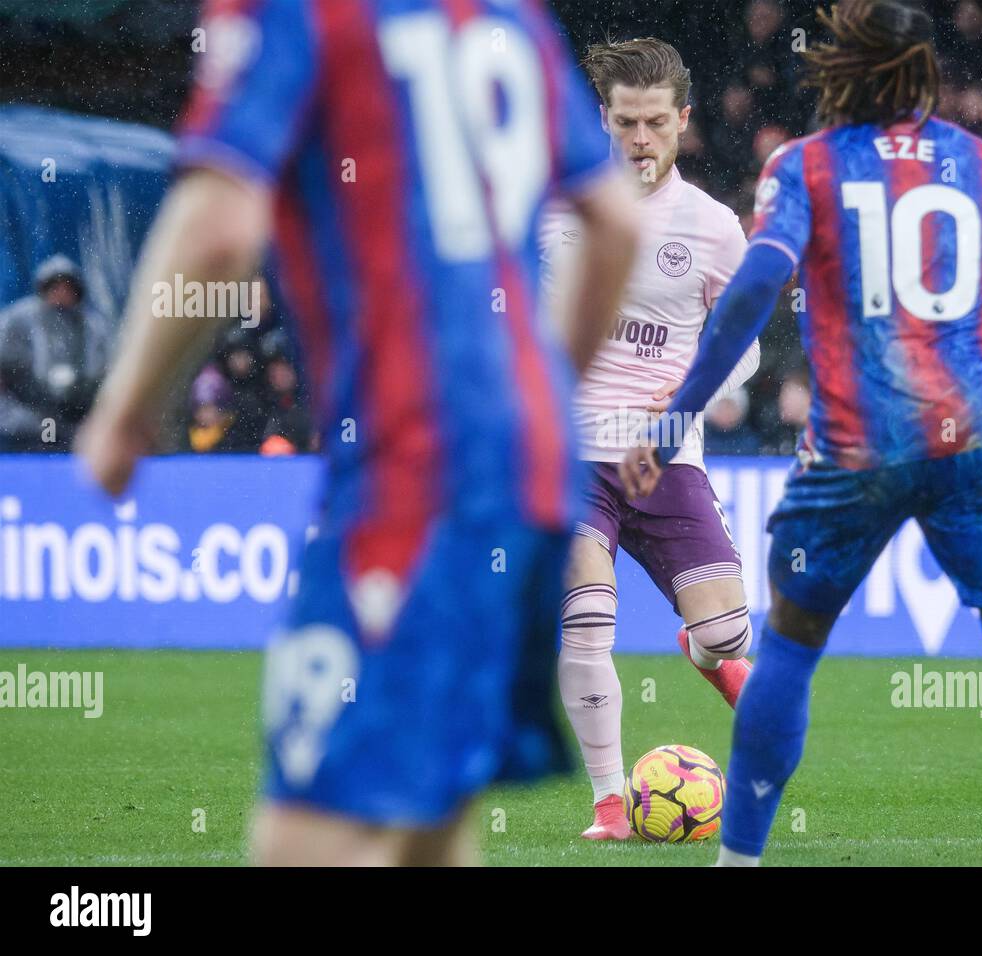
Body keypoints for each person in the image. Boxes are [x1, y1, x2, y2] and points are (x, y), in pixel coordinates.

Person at [618, 0, 982, 867]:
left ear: (844, 72)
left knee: (787, 646)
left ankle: (738, 862)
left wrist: (676, 417)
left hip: (854, 451)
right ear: (923, 74)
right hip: (971, 445)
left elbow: (753, 292)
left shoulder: (807, 165)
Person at [77, 0, 638, 866]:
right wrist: (537, 397)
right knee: (429, 822)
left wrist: (125, 412)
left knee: (304, 839)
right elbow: (617, 222)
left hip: (412, 468)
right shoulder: (510, 17)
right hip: (532, 471)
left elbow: (221, 227)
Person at [539, 38, 757, 841]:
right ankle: (608, 804)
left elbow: (750, 341)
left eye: (655, 123)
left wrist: (703, 384)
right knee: (585, 617)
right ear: (605, 118)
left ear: (683, 122)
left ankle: (703, 656)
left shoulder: (711, 226)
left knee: (727, 634)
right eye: (626, 122)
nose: (640, 139)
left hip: (666, 454)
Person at [0, 255, 110, 451]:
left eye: (68, 288)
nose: (61, 294)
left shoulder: (93, 326)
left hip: (76, 419)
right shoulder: (17, 320)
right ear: (43, 289)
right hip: (28, 418)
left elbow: (106, 373)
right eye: (55, 287)